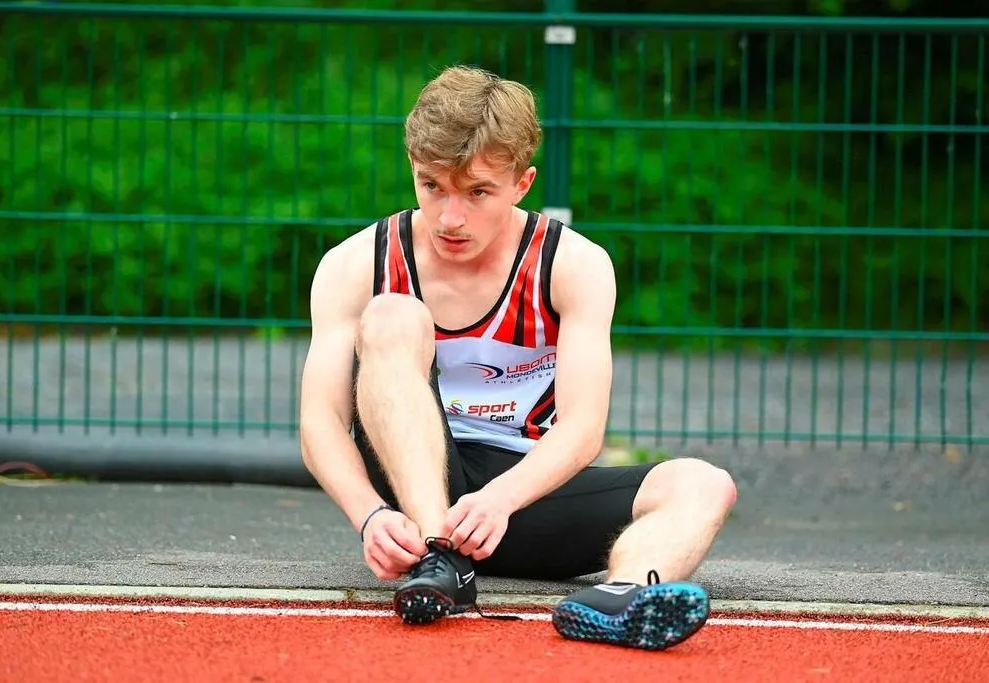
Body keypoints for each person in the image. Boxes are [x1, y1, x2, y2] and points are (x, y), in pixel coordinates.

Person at [299, 64, 738, 651]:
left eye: (478, 192)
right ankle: (439, 562)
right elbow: (321, 421)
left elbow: (583, 428)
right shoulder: (355, 265)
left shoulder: (573, 265)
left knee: (705, 484)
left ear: (522, 183)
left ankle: (622, 597)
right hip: (414, 488)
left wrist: (502, 499)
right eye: (433, 186)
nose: (450, 218)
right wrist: (370, 516)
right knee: (392, 315)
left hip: (518, 494)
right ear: (412, 169)